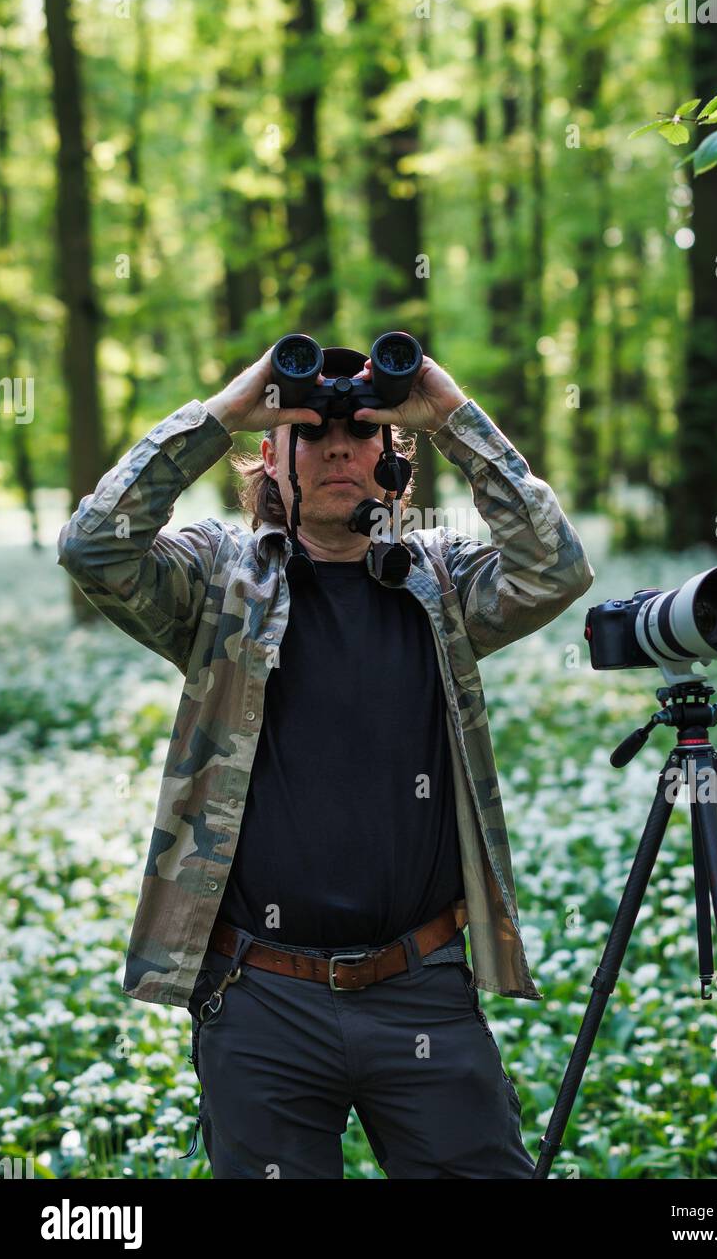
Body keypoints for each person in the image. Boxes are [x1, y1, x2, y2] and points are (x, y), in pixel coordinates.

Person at [57, 340, 595, 1179]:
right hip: (258, 996)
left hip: (423, 987)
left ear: (393, 457)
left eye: (362, 430)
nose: (339, 446)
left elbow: (555, 568)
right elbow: (94, 548)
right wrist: (224, 413)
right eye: (310, 432)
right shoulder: (216, 581)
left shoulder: (440, 584)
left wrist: (454, 417)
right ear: (269, 456)